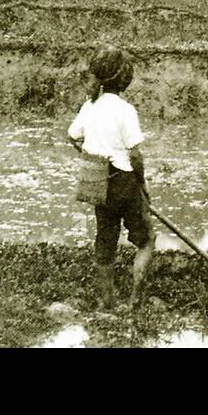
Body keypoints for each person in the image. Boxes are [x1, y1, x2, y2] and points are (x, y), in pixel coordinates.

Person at [68, 46, 154, 309]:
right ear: (124, 79)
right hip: (123, 181)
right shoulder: (125, 110)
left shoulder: (90, 106)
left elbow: (72, 135)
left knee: (105, 242)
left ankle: (107, 303)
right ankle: (134, 302)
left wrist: (90, 154)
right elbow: (135, 156)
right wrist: (142, 185)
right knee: (146, 238)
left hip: (99, 182)